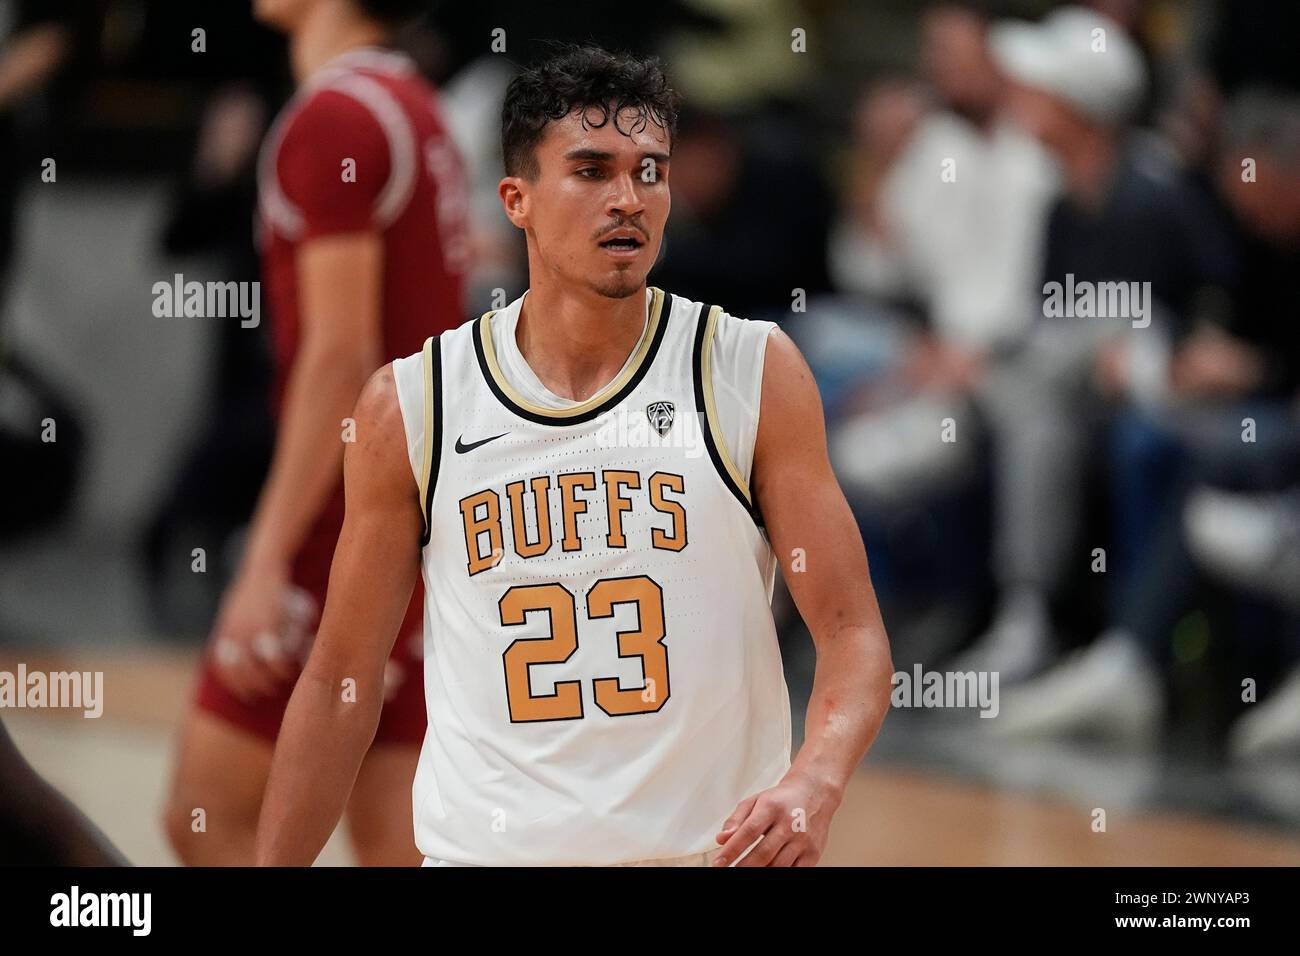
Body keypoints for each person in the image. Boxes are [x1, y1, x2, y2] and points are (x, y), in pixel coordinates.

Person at [255, 45, 894, 867]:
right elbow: (340, 682)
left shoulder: (748, 370)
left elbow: (853, 634)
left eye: (649, 172)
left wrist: (816, 781)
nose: (628, 199)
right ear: (515, 200)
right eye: (592, 172)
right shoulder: (415, 403)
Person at [164, 0, 469, 865]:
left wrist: (263, 557)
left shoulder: (333, 115)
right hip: (424, 502)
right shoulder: (416, 106)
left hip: (346, 519)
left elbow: (341, 360)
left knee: (207, 811)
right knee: (397, 840)